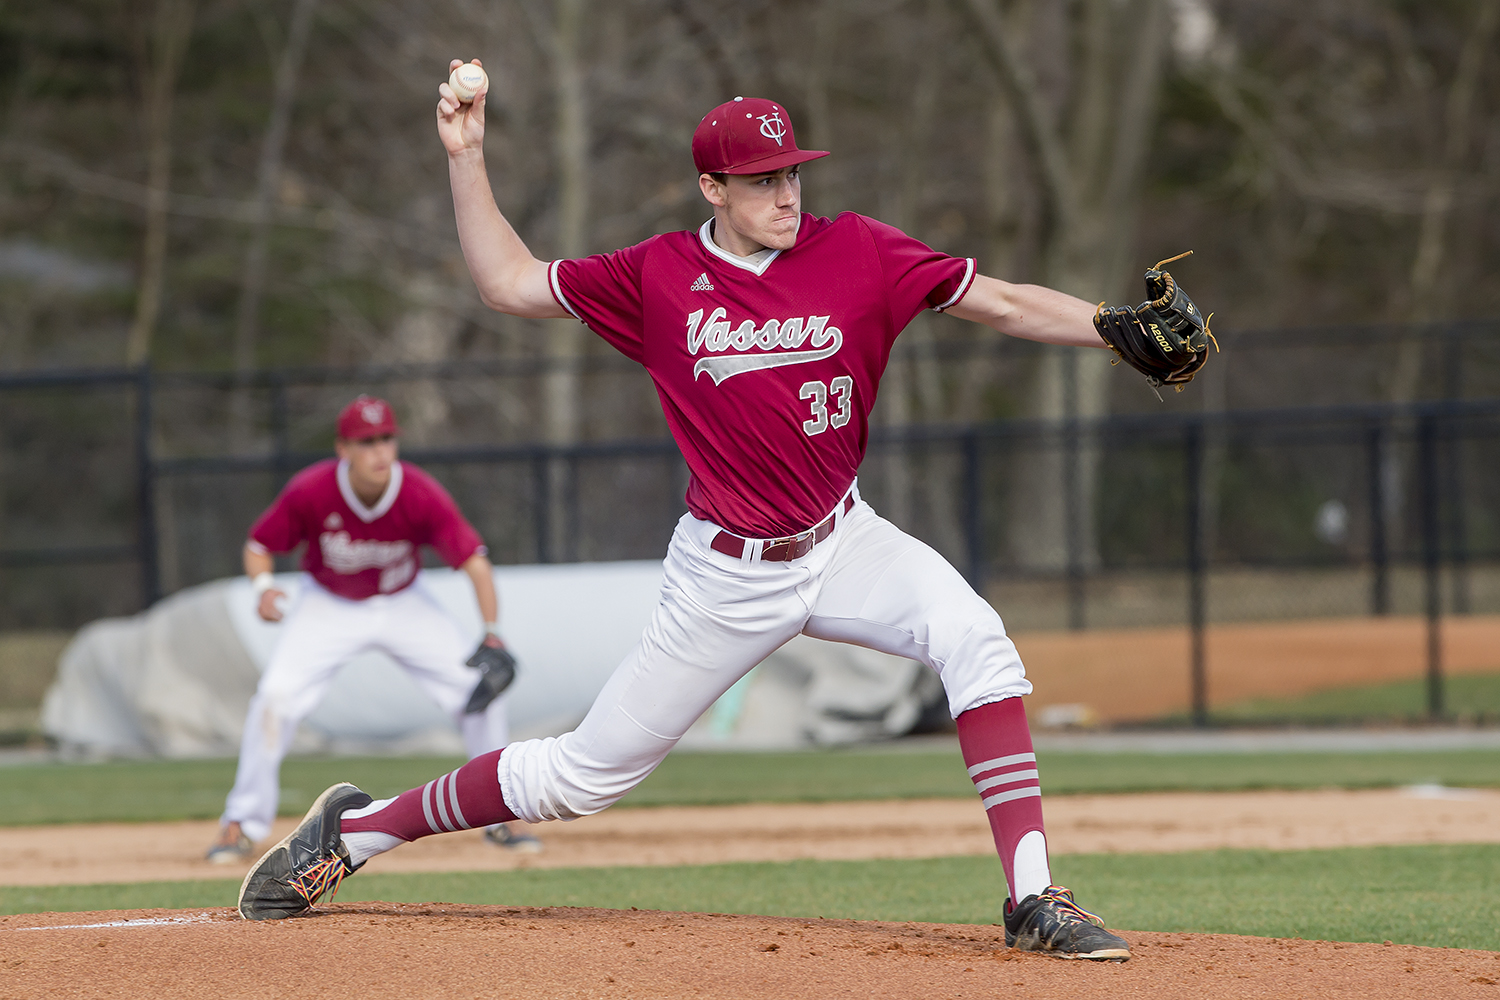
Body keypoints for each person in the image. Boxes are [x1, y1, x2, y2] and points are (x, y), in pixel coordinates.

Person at [238, 66, 1130, 960]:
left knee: (974, 635)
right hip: (724, 575)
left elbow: (1003, 301)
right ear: (712, 188)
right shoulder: (660, 274)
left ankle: (1032, 898)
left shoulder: (859, 250)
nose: (787, 194)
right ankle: (354, 835)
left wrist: (1112, 325)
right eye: (762, 180)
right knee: (580, 779)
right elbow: (508, 282)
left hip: (844, 536)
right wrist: (468, 157)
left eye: (792, 174)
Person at [207, 394, 540, 863]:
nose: (380, 451)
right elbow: (259, 543)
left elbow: (475, 564)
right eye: (367, 442)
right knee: (275, 699)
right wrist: (263, 586)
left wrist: (492, 631)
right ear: (343, 449)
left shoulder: (418, 492)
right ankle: (240, 823)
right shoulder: (312, 490)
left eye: (386, 439)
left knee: (478, 691)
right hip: (328, 603)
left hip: (403, 602)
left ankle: (503, 816)